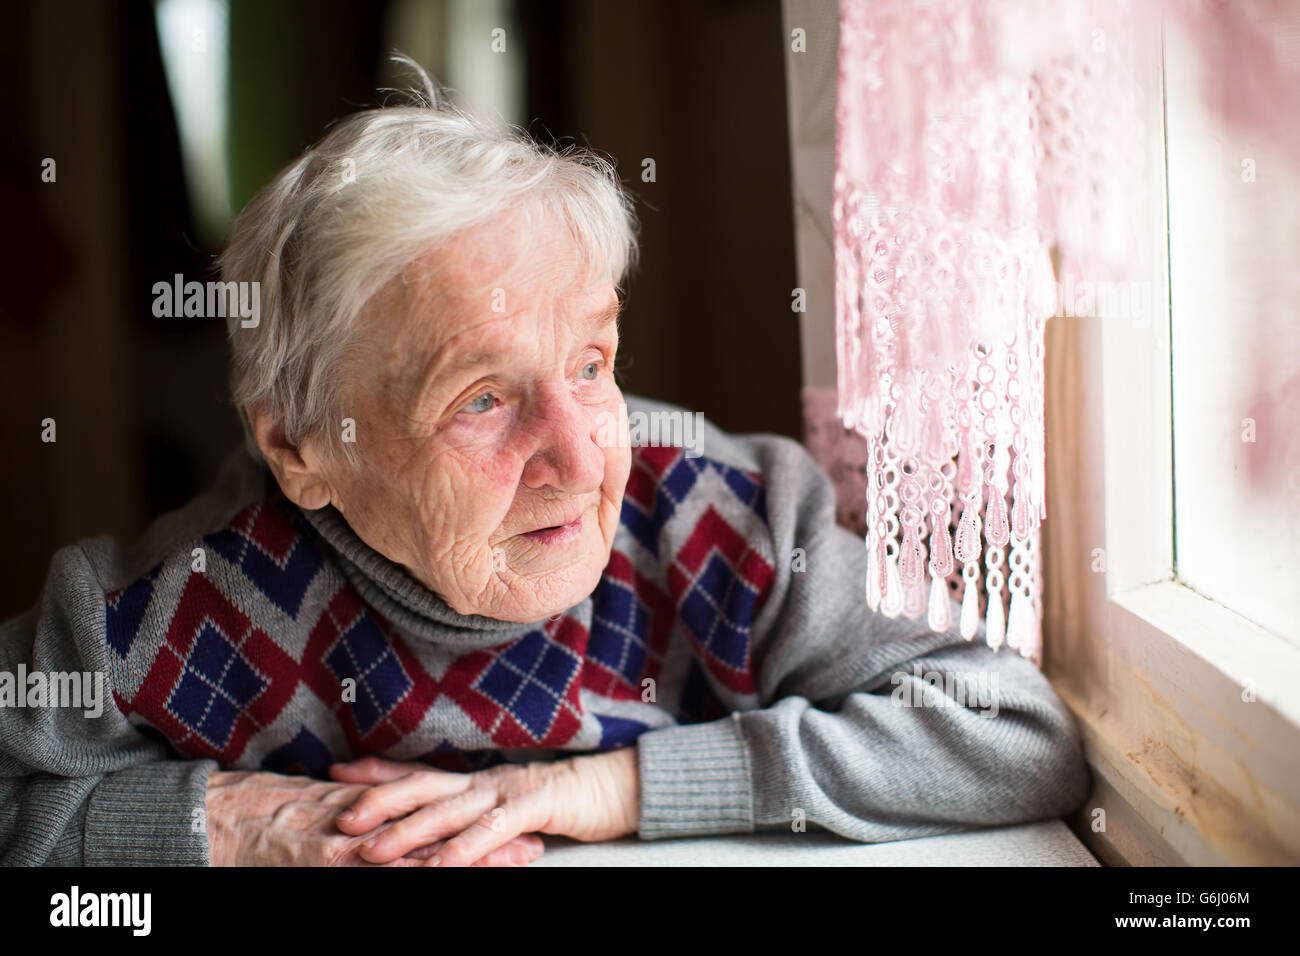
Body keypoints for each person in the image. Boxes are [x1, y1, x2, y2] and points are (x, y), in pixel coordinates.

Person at [0, 63, 1088, 866]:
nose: (579, 455)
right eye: (481, 398)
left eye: (590, 362)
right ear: (297, 444)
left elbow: (1010, 728)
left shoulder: (721, 516)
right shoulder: (171, 608)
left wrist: (610, 786)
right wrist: (224, 824)